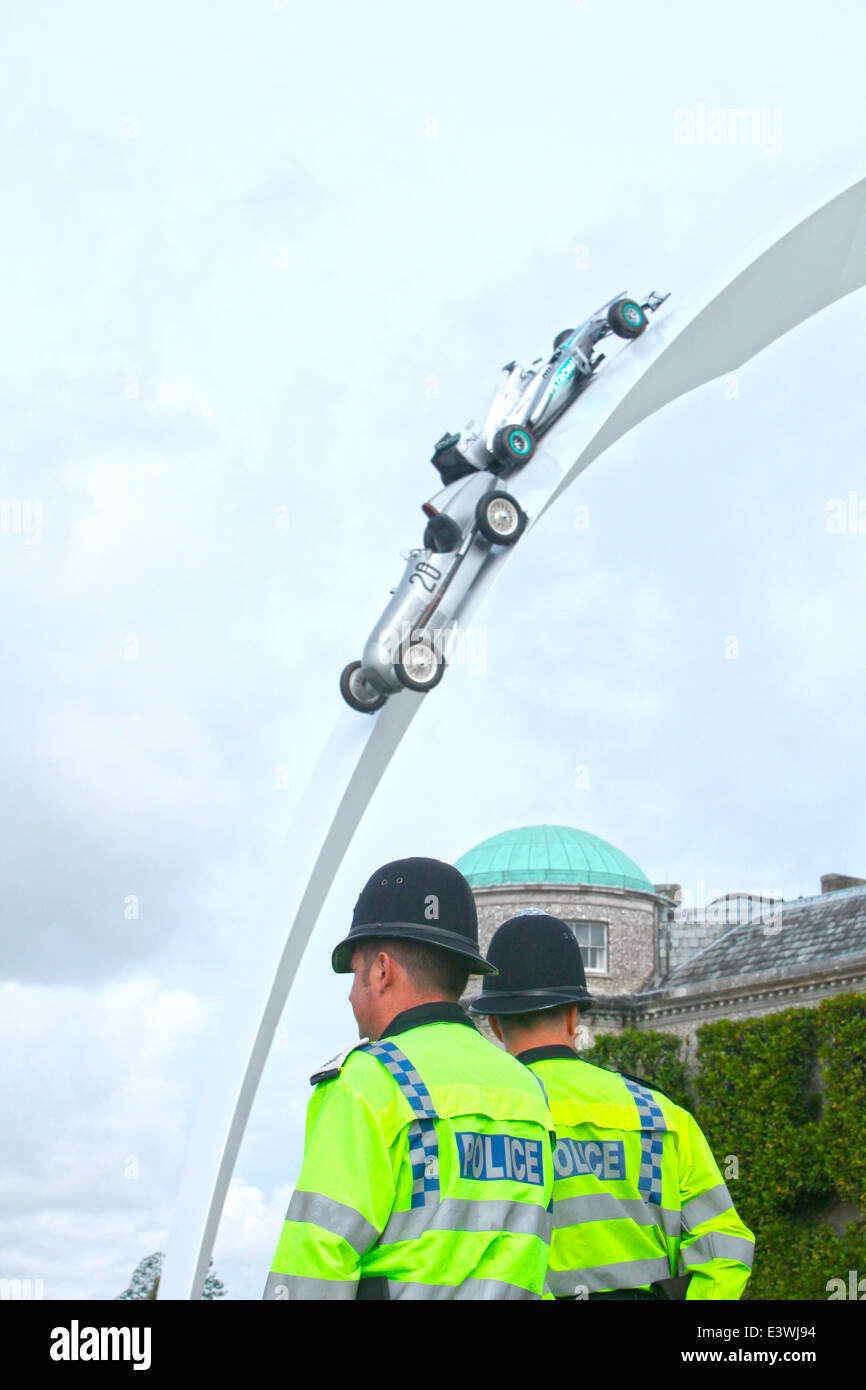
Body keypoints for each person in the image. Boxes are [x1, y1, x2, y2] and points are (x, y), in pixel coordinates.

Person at [263, 859, 555, 1300]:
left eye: (354, 971)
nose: (349, 992)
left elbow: (316, 1264)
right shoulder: (526, 1090)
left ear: (381, 970)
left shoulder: (367, 1081)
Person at [469, 912, 755, 1300]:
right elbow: (725, 1248)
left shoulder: (476, 1120)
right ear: (574, 1017)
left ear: (495, 1024)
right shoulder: (662, 1115)